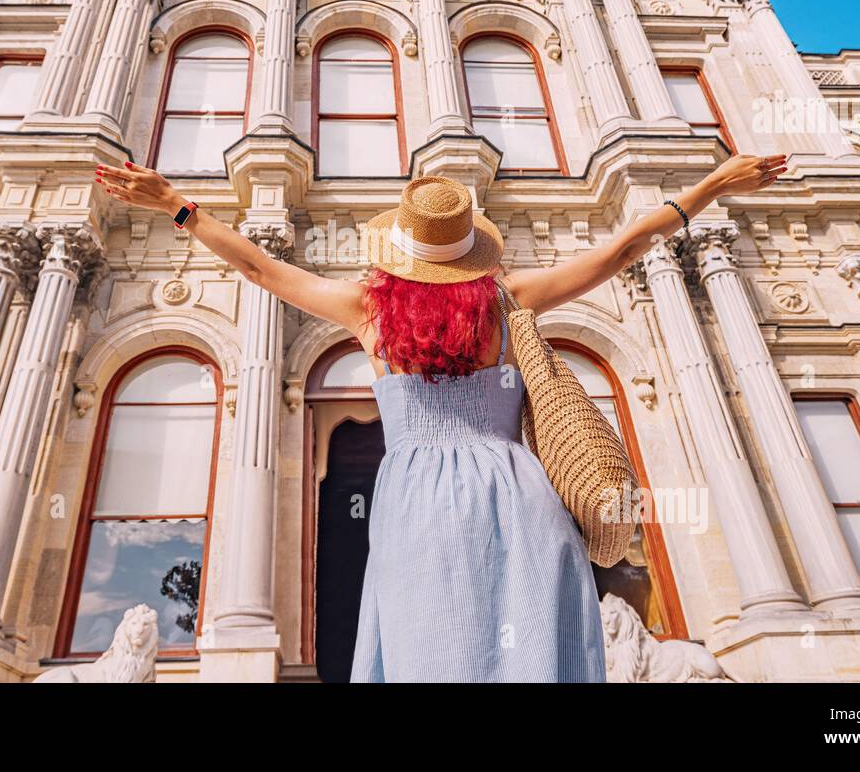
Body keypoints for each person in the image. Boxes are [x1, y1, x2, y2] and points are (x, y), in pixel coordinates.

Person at [95, 151, 786, 682]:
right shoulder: (509, 300)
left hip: (418, 506)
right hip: (521, 496)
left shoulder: (368, 311)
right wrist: (711, 187)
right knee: (533, 647)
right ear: (469, 248)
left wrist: (179, 207)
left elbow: (262, 269)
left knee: (432, 645)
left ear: (403, 248)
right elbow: (625, 248)